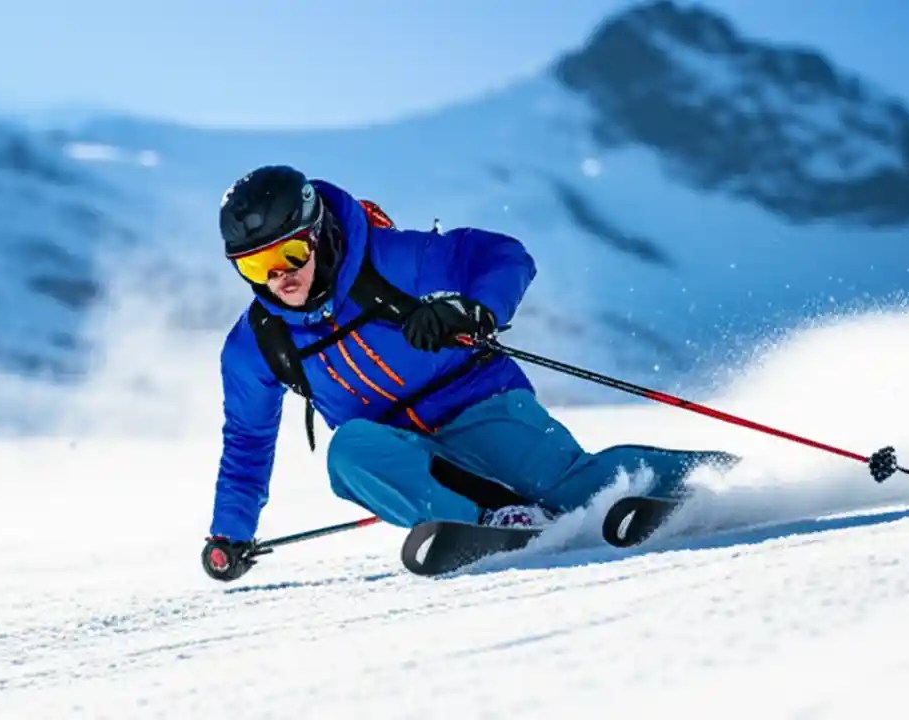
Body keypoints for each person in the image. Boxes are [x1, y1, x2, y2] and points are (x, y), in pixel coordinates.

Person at [201, 165, 727, 581]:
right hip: (401, 452)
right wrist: (230, 533)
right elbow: (248, 441)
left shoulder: (393, 261)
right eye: (255, 266)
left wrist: (473, 310)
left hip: (481, 405)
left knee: (576, 492)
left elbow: (503, 255)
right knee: (349, 454)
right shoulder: (257, 345)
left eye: (290, 253)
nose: (279, 276)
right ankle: (493, 520)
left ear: (317, 234)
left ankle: (720, 477)